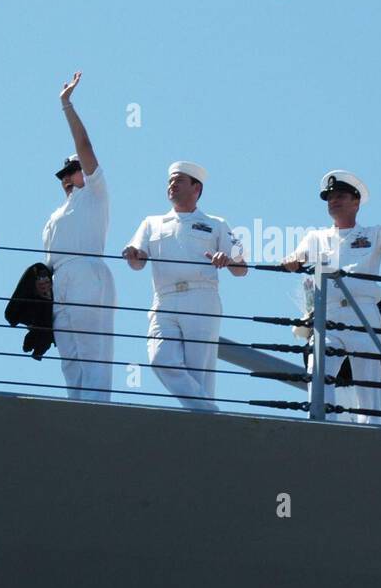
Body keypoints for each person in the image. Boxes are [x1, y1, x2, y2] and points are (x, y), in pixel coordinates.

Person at [282, 155, 381, 423]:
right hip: (327, 315)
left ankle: (373, 429)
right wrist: (291, 261)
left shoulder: (373, 234)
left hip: (363, 313)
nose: (334, 200)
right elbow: (295, 258)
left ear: (356, 202)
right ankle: (321, 424)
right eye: (330, 196)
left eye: (341, 195)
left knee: (369, 386)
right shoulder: (316, 238)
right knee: (318, 373)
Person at [123, 162, 246, 411]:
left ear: (196, 188)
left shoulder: (216, 223)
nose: (172, 185)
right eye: (170, 181)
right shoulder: (152, 223)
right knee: (160, 359)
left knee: (199, 370)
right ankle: (209, 413)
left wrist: (227, 259)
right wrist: (133, 255)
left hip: (201, 296)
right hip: (164, 298)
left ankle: (202, 425)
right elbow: (138, 263)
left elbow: (241, 269)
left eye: (179, 180)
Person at [42, 71, 115, 402]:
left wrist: (66, 104)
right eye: (63, 175)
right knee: (70, 359)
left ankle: (97, 413)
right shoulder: (55, 216)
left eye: (73, 171)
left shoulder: (95, 193)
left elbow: (84, 145)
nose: (68, 178)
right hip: (61, 281)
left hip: (87, 272)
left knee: (92, 354)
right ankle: (77, 411)